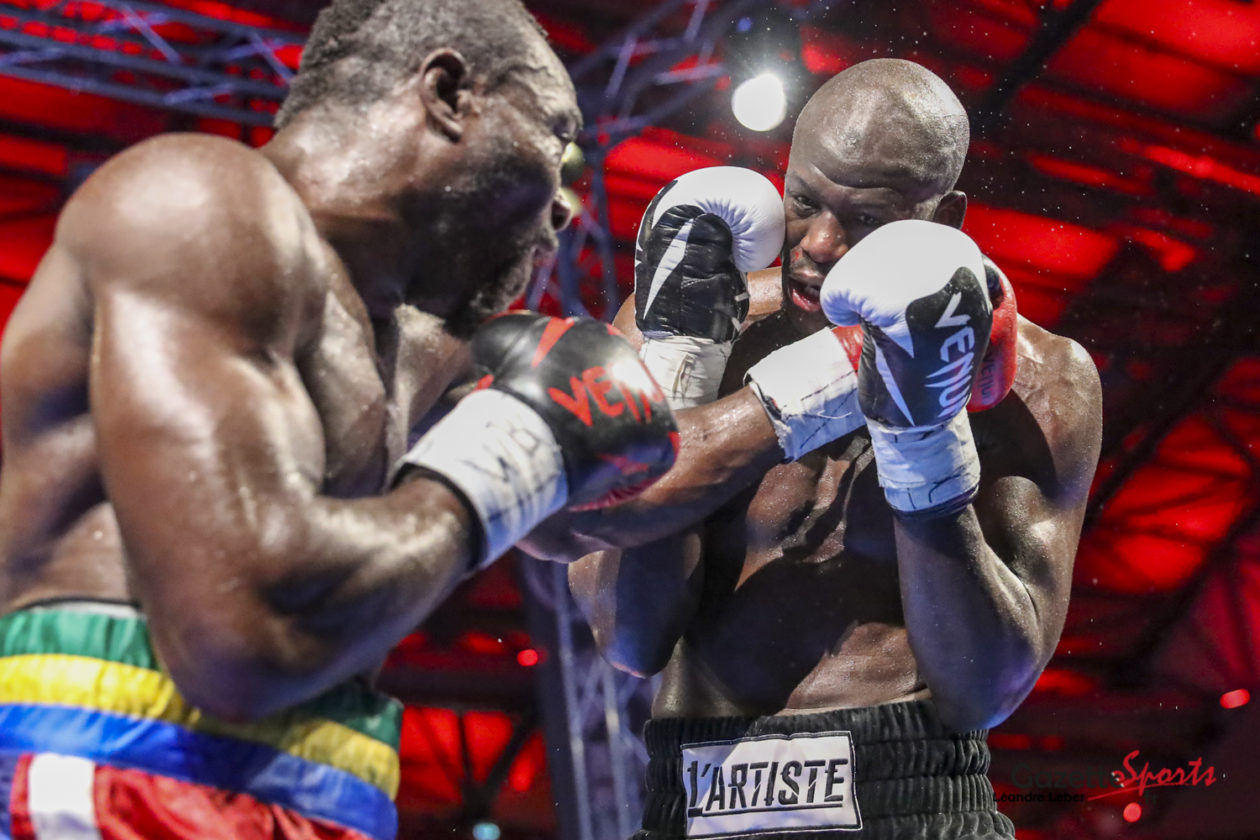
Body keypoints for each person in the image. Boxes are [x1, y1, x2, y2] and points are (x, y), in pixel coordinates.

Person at [0, 1, 679, 838]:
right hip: (126, 763)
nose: (567, 206)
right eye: (553, 136)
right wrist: (515, 454)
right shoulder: (197, 204)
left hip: (326, 788)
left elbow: (623, 505)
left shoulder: (412, 342)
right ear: (448, 93)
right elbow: (246, 635)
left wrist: (798, 357)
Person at [527, 58, 1102, 839]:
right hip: (695, 792)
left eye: (865, 219)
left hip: (912, 800)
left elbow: (987, 691)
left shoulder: (1036, 382)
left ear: (946, 217)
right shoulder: (694, 323)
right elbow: (631, 639)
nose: (821, 244)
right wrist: (681, 370)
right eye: (805, 201)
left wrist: (924, 444)